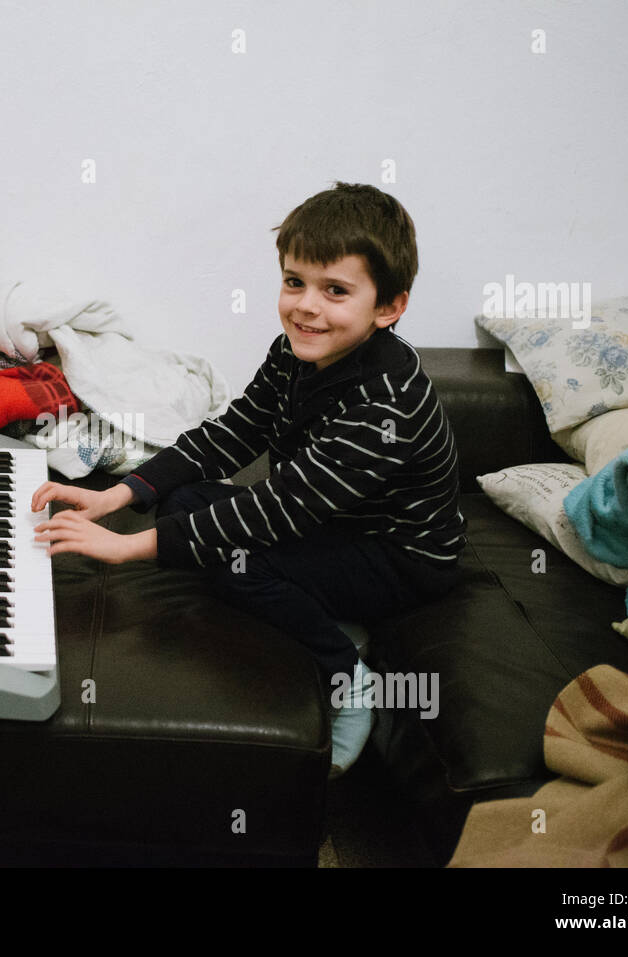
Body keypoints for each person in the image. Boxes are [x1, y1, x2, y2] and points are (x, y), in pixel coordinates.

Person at [31, 182, 467, 777]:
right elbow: (233, 433)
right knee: (182, 503)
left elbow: (281, 507)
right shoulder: (296, 351)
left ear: (388, 307)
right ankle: (312, 597)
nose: (306, 306)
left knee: (236, 561)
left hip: (401, 555)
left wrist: (129, 548)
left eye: (335, 291)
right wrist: (115, 495)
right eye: (295, 282)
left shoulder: (386, 403)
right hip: (330, 522)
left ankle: (348, 675)